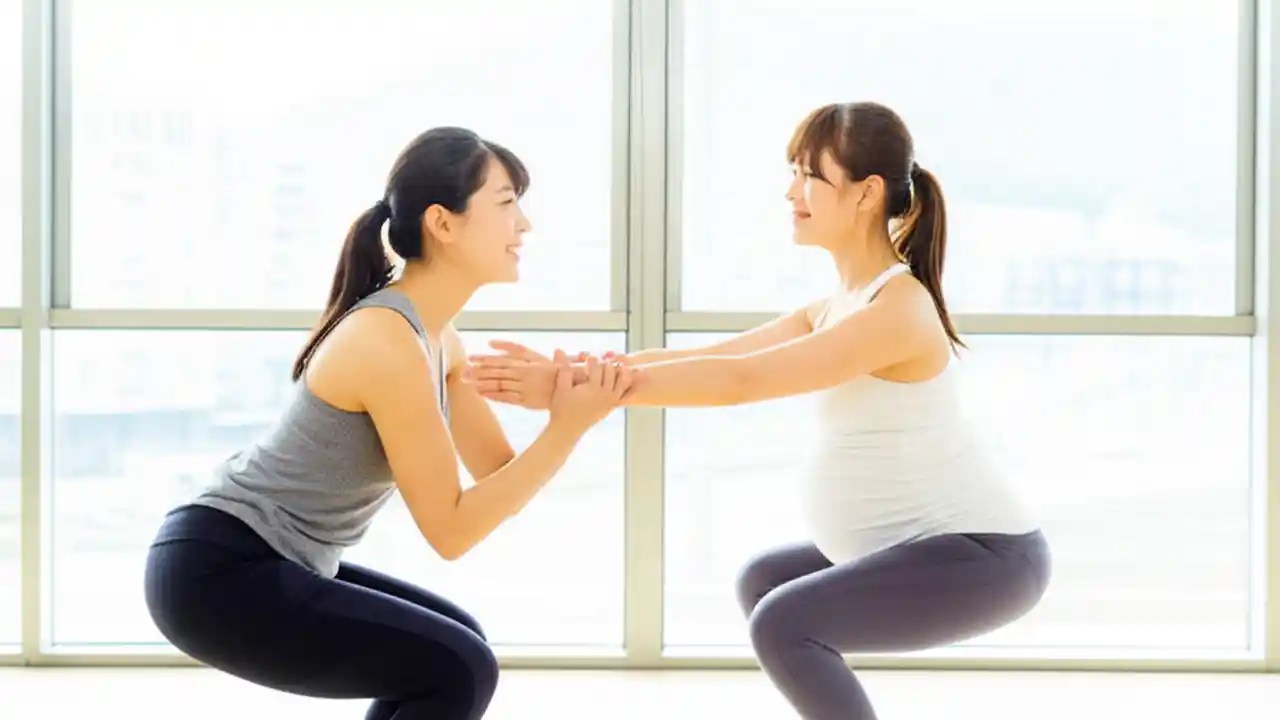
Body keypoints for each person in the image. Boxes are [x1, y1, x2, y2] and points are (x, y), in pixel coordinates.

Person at [467, 102, 1051, 720]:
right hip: (909, 544)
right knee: (764, 581)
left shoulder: (897, 309)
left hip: (985, 556)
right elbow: (711, 355)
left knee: (784, 620)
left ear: (866, 194)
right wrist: (568, 378)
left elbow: (741, 380)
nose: (791, 192)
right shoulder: (837, 305)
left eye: (810, 177)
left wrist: (571, 393)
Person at [143, 127, 633, 720]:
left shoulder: (435, 336)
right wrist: (567, 427)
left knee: (459, 644)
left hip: (263, 559)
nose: (524, 225)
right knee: (455, 666)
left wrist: (563, 408)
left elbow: (499, 475)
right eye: (506, 203)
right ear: (443, 223)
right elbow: (451, 531)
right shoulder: (386, 340)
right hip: (219, 572)